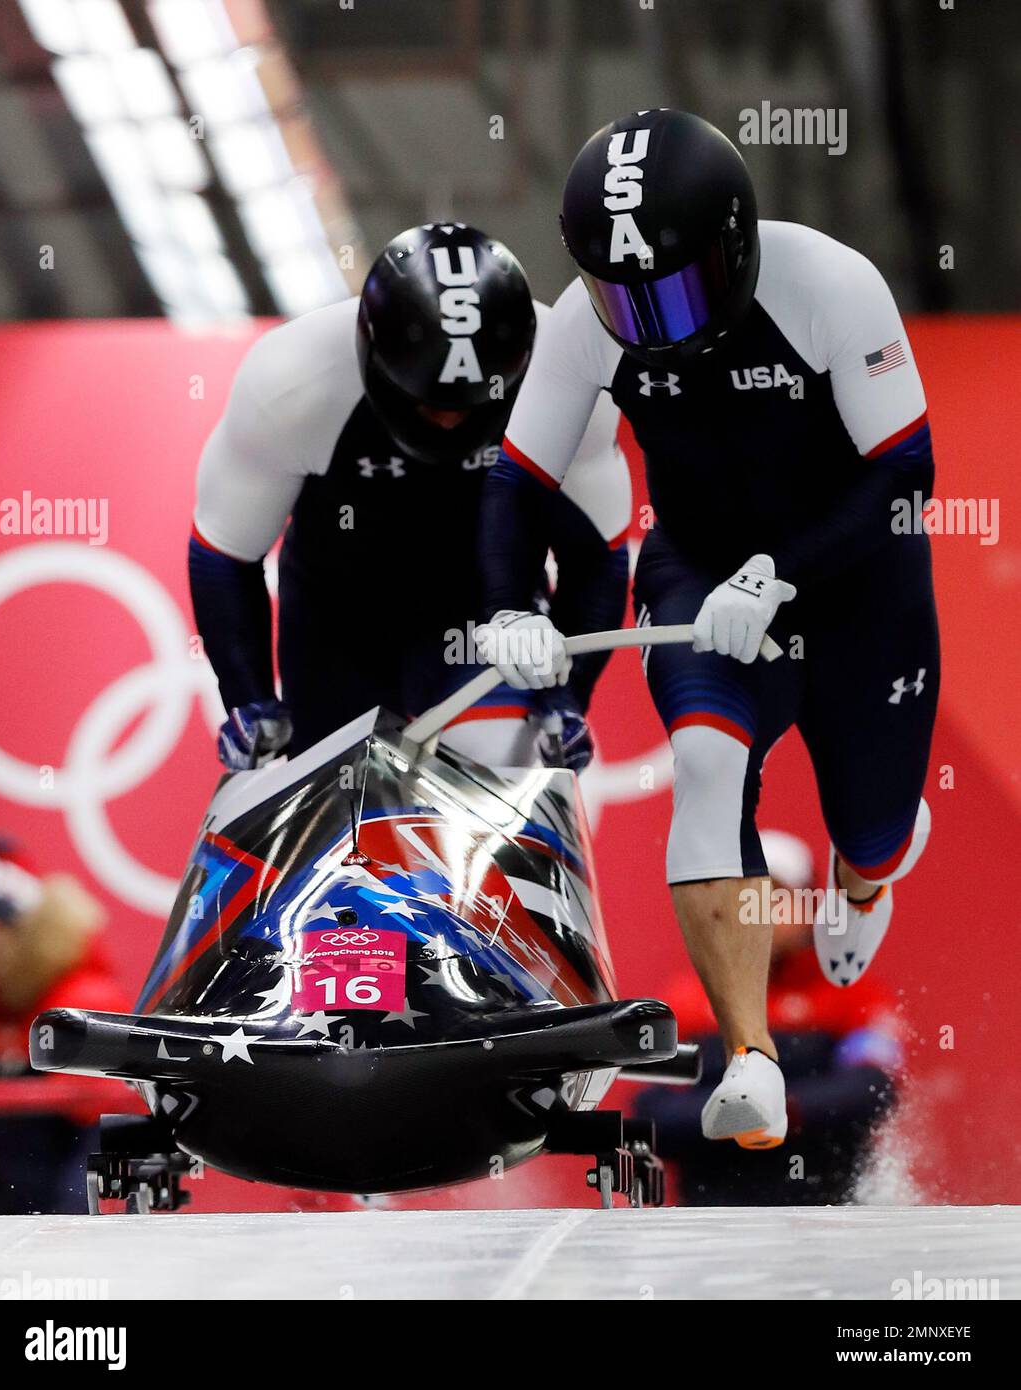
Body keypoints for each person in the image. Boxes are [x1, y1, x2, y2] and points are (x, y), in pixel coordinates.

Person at [474, 109, 938, 1148]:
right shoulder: (584, 322)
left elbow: (904, 473)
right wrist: (510, 604)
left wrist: (782, 572)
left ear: (734, 248)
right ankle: (749, 1057)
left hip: (856, 577)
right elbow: (515, 482)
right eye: (620, 299)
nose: (650, 324)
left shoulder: (828, 286)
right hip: (696, 564)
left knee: (868, 828)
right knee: (704, 766)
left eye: (673, 294)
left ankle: (868, 875)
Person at [190, 223, 630, 774]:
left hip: (488, 616)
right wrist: (247, 698)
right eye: (430, 401)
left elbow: (598, 555)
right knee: (343, 813)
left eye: (469, 404)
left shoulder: (567, 374)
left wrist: (567, 695)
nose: (449, 422)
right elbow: (225, 553)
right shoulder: (289, 381)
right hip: (337, 620)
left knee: (490, 782)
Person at [634, 831, 904, 1203]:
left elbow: (872, 1089)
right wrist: (743, 1115)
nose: (760, 912)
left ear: (810, 907)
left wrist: (777, 1109)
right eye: (745, 898)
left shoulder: (852, 994)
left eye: (777, 897)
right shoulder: (686, 1000)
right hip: (710, 1221)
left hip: (832, 1215)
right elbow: (652, 1115)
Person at [0, 837, 128, 1214]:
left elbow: (107, 1138)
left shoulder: (81, 1001)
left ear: (0, 927)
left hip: (43, 1232)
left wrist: (67, 1242)